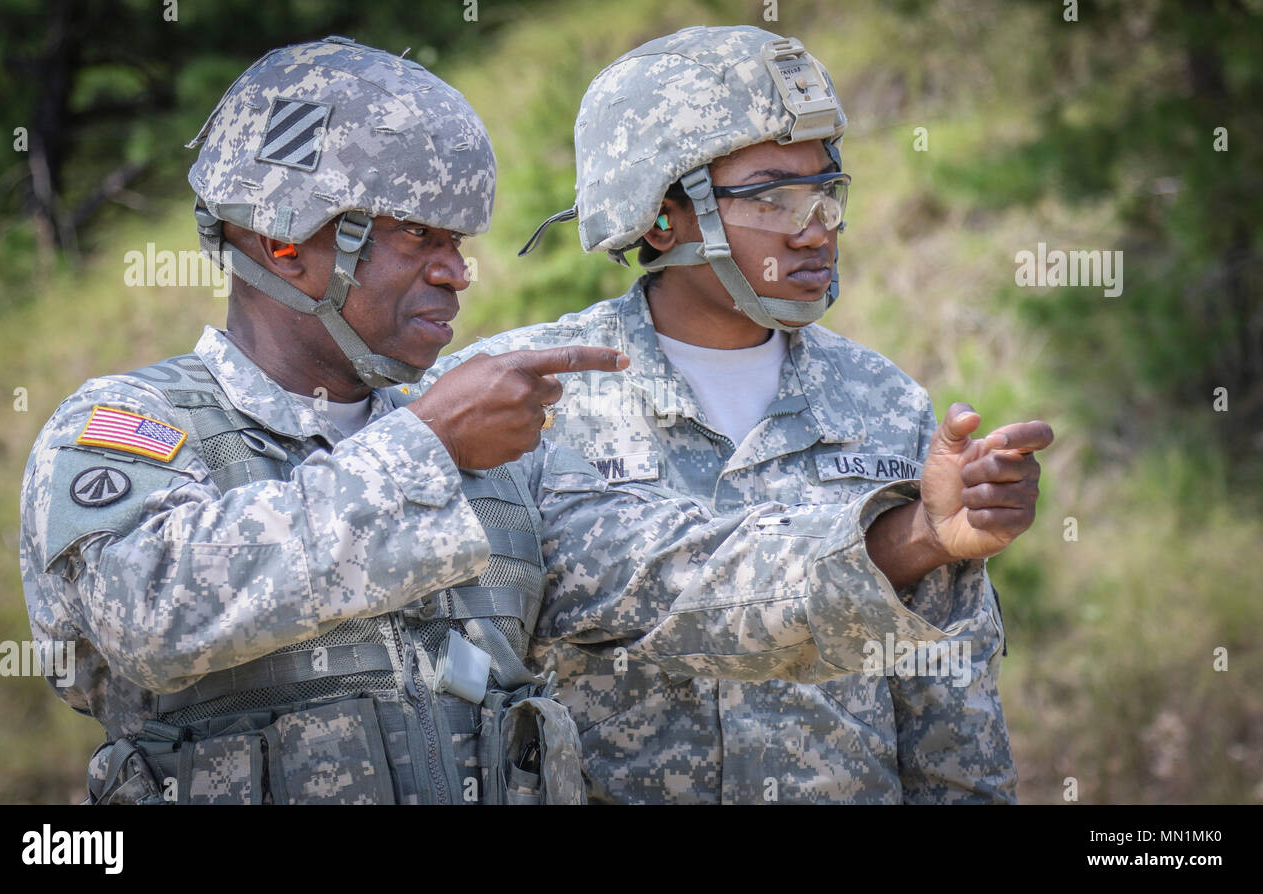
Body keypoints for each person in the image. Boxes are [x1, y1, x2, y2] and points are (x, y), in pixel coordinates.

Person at [19, 36, 987, 805]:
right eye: (414, 236)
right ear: (286, 240)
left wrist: (909, 540)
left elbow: (691, 583)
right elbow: (152, 614)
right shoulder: (129, 429)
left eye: (457, 241)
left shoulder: (501, 470)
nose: (454, 270)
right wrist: (424, 447)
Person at [428, 25, 1053, 803]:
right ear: (660, 218)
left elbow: (949, 706)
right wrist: (909, 535)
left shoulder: (885, 400)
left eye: (828, 191)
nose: (816, 227)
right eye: (774, 198)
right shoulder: (521, 397)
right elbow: (455, 701)